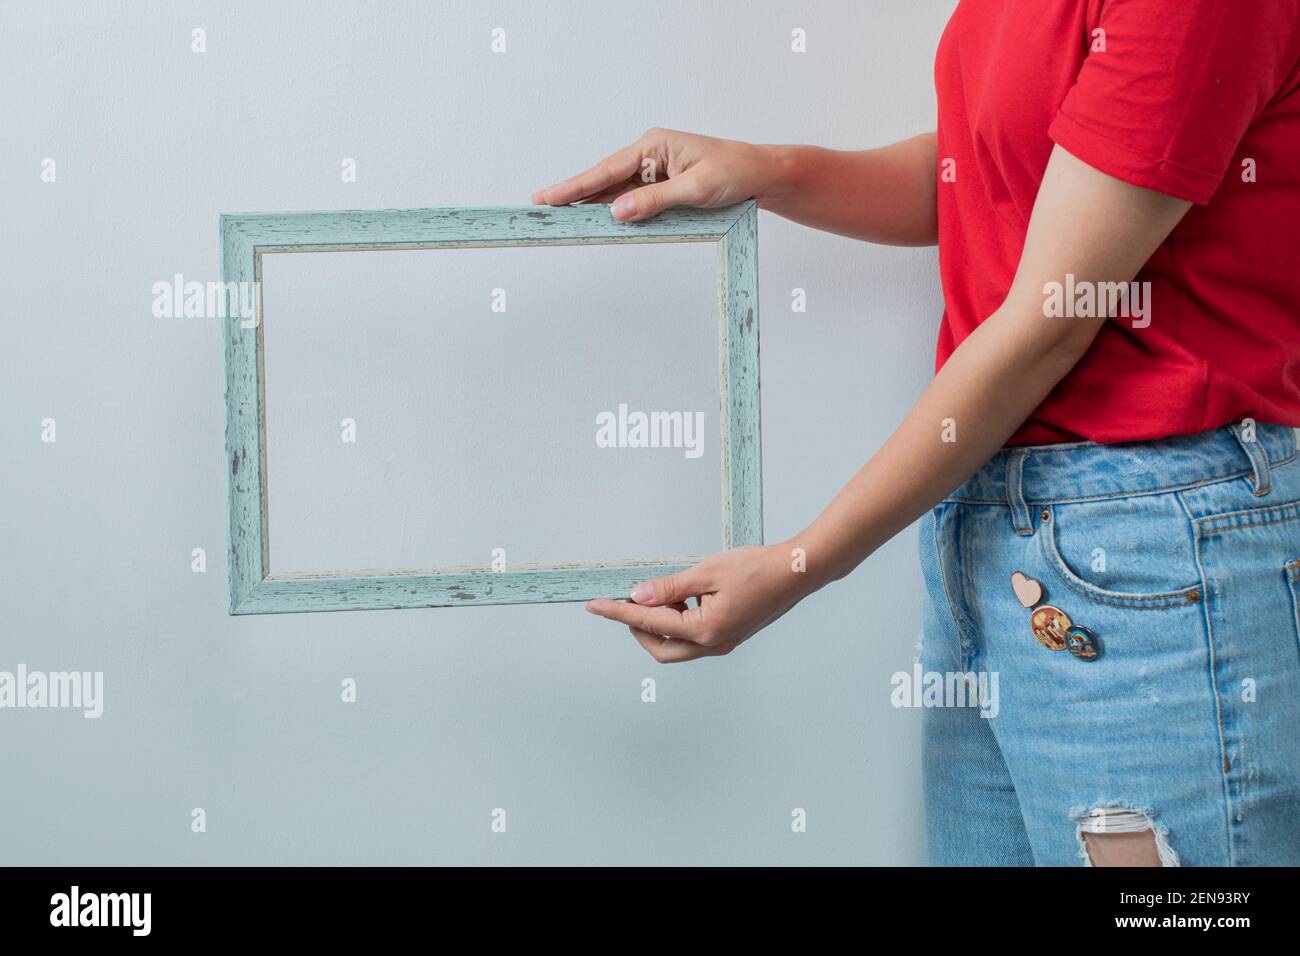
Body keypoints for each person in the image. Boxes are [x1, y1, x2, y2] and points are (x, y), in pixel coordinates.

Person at [533, 0, 1300, 866]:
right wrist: (771, 170)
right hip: (989, 531)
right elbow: (986, 176)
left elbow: (1049, 321)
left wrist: (802, 562)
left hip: (1148, 546)